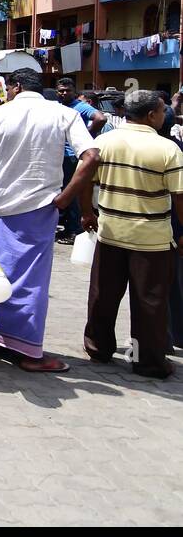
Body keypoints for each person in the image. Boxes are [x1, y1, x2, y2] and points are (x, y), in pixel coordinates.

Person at [0, 68, 98, 373]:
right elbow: (91, 156)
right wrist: (65, 198)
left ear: (15, 86)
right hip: (38, 208)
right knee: (30, 282)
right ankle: (28, 353)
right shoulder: (63, 114)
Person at [79, 89, 183, 379]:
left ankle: (98, 348)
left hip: (110, 231)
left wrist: (87, 212)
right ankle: (148, 361)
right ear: (151, 115)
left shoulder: (103, 142)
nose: (164, 115)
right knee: (149, 301)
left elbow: (85, 181)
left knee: (103, 294)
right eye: (161, 111)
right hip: (151, 239)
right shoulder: (167, 149)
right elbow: (180, 197)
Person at [56, 77, 106, 244]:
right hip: (61, 156)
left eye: (67, 90)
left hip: (72, 156)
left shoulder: (80, 106)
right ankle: (68, 227)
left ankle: (75, 231)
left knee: (73, 193)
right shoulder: (59, 107)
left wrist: (87, 135)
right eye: (61, 90)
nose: (64, 93)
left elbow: (100, 118)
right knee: (64, 191)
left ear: (74, 92)